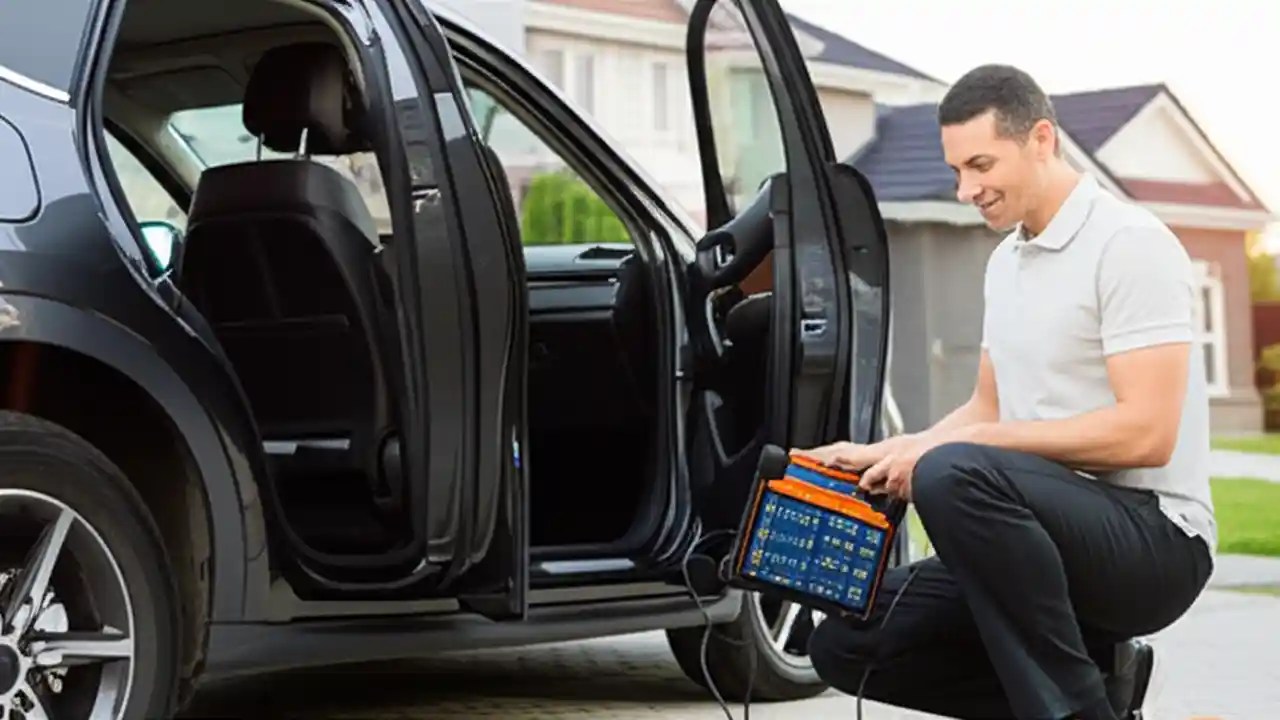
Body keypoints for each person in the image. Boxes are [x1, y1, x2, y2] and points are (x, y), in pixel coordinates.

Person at [802, 64, 1215, 720]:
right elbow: (986, 408)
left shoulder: (1130, 244)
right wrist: (892, 451)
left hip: (1152, 542)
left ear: (1042, 139)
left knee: (955, 472)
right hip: (1033, 535)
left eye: (981, 164)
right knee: (848, 643)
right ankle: (1103, 693)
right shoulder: (1008, 263)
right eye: (956, 170)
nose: (966, 188)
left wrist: (964, 451)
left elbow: (1147, 431)